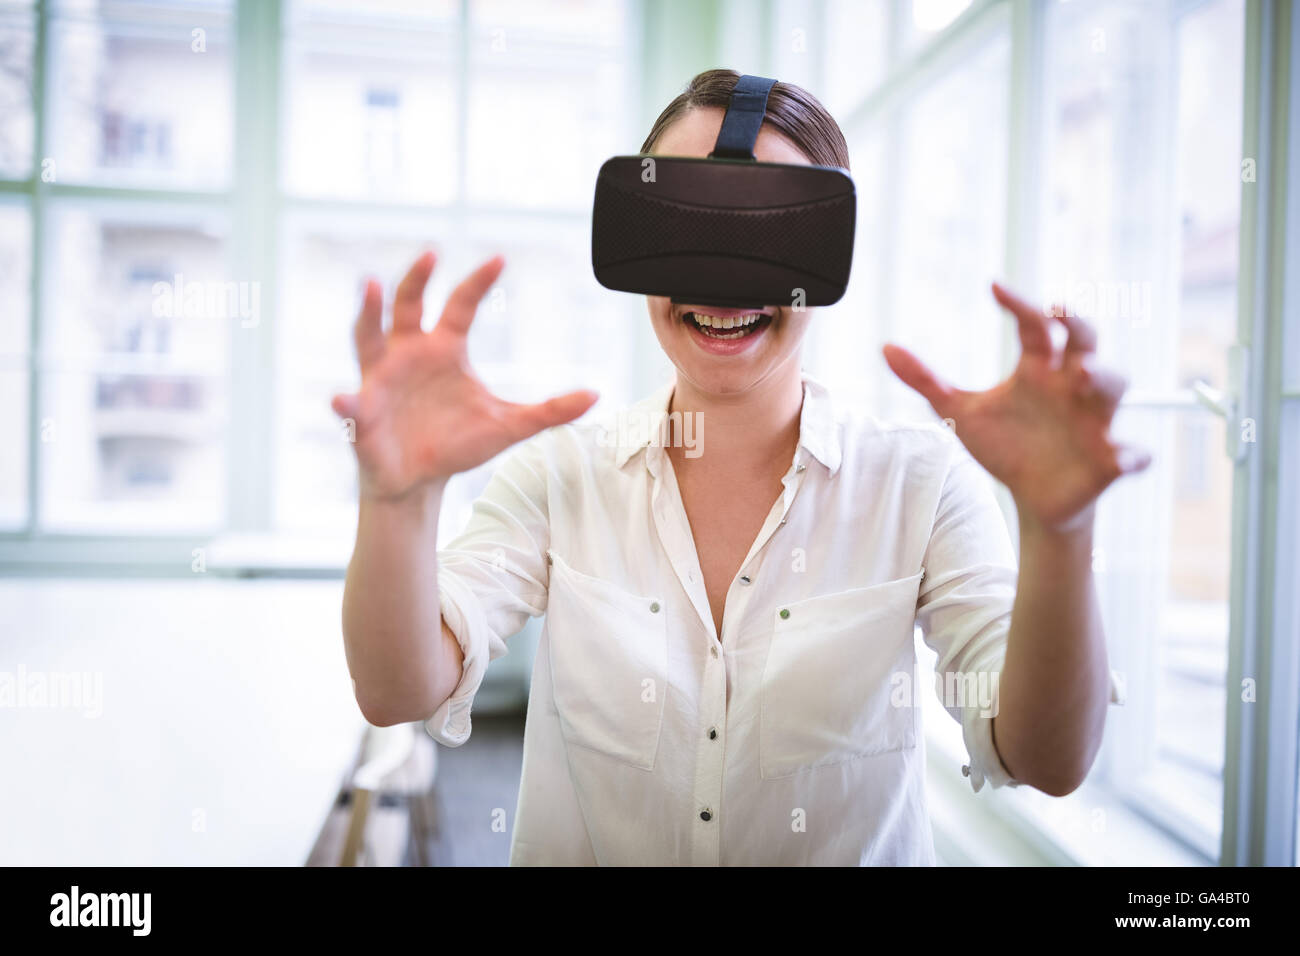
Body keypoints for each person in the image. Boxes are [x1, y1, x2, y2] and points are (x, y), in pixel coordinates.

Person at [331, 69, 1148, 866]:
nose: (723, 283)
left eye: (767, 234)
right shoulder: (560, 475)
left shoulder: (920, 484)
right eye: (688, 227)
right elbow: (400, 691)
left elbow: (1046, 757)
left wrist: (1061, 533)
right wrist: (397, 502)